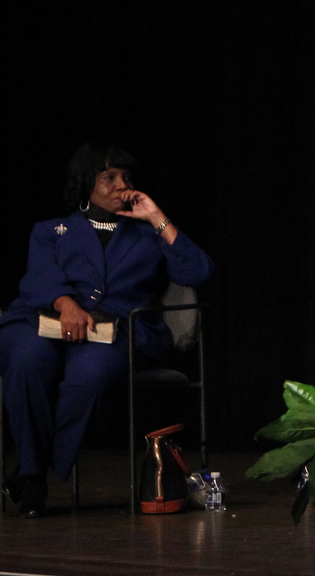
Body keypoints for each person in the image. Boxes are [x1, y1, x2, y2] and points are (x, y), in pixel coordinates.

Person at [0, 144, 213, 517]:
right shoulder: (50, 231)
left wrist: (157, 216)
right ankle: (33, 474)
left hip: (116, 331)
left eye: (126, 177)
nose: (121, 184)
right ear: (87, 183)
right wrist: (66, 304)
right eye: (109, 177)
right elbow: (38, 278)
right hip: (45, 320)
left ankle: (32, 473)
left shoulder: (147, 233)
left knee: (89, 373)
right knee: (26, 359)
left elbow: (198, 273)